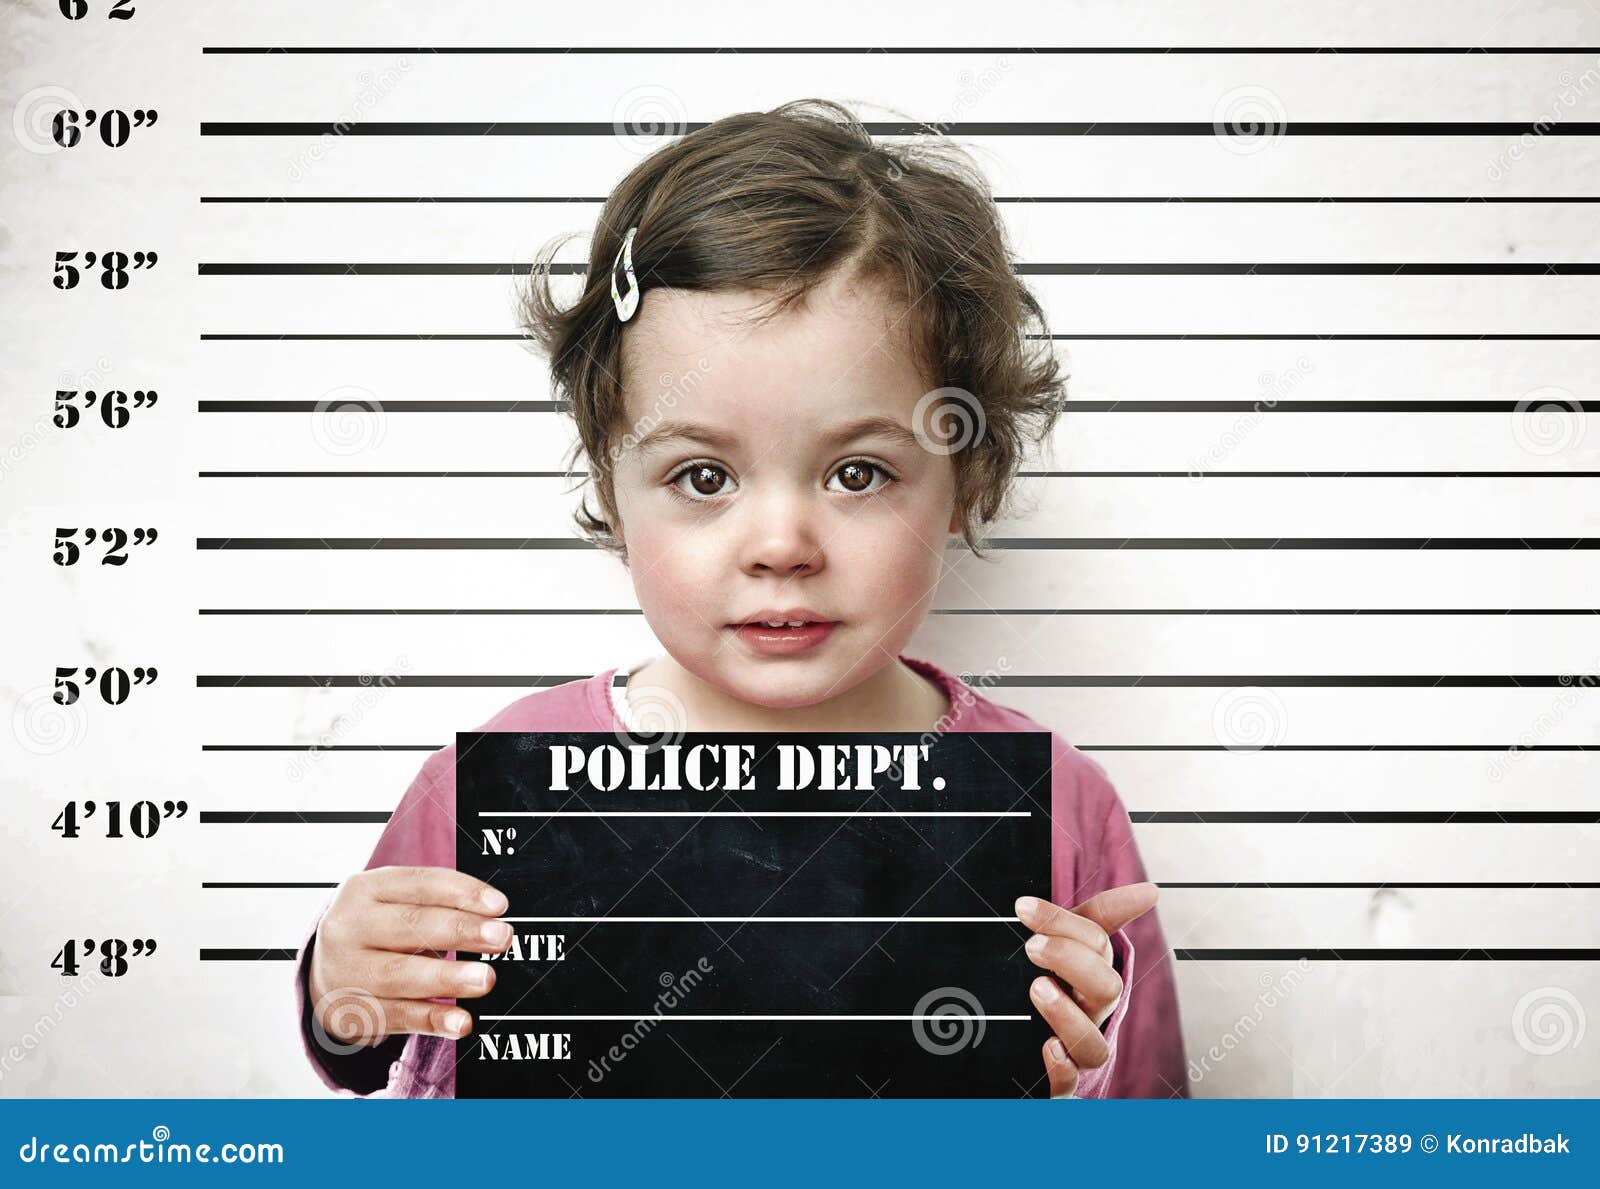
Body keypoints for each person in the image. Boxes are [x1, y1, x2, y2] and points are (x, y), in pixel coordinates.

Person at [293, 97, 1188, 1100]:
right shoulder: (495, 786)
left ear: (965, 480)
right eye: (703, 478)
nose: (780, 546)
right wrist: (341, 982)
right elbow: (371, 1045)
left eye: (856, 473)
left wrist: (1085, 1083)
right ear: (608, 486)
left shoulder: (1058, 804)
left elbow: (1153, 1109)